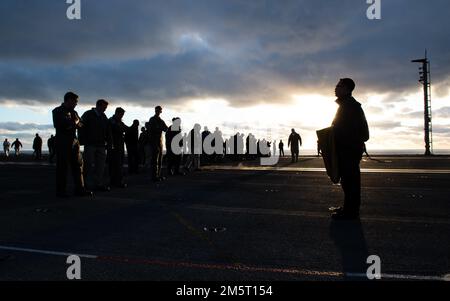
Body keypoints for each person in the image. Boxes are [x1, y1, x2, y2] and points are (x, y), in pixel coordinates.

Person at [330, 78, 369, 220]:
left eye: (338, 86)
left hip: (349, 150)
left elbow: (357, 132)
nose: (335, 88)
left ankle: (351, 212)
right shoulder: (347, 106)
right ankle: (349, 208)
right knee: (348, 181)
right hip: (348, 149)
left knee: (350, 181)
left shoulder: (350, 107)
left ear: (346, 89)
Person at [52, 92, 92, 197]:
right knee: (62, 168)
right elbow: (60, 125)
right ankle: (61, 191)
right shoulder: (57, 111)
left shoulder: (74, 113)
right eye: (75, 101)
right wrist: (74, 123)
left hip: (74, 143)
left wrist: (74, 123)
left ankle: (80, 189)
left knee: (78, 166)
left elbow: (81, 124)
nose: (76, 104)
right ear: (69, 100)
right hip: (63, 142)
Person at [80, 99, 113, 192]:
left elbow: (108, 130)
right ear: (98, 105)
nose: (105, 109)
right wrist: (83, 140)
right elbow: (80, 126)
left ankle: (98, 183)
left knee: (101, 166)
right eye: (104, 107)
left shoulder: (103, 116)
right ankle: (84, 184)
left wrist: (109, 143)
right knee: (88, 164)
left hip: (101, 145)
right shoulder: (88, 114)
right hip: (90, 144)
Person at [108, 107, 128, 188]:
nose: (122, 116)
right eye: (121, 114)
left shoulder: (118, 122)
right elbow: (119, 129)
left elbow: (126, 129)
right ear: (117, 113)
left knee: (119, 164)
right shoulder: (111, 121)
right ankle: (116, 181)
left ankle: (117, 181)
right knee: (115, 165)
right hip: (114, 146)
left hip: (119, 145)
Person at [148, 106, 168, 182]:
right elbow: (150, 130)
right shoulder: (152, 119)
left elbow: (166, 128)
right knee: (154, 160)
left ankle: (158, 175)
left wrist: (159, 128)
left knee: (159, 160)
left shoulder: (160, 120)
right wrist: (158, 128)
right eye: (157, 110)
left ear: (160, 112)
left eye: (159, 110)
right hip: (154, 141)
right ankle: (154, 176)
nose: (158, 112)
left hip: (160, 141)